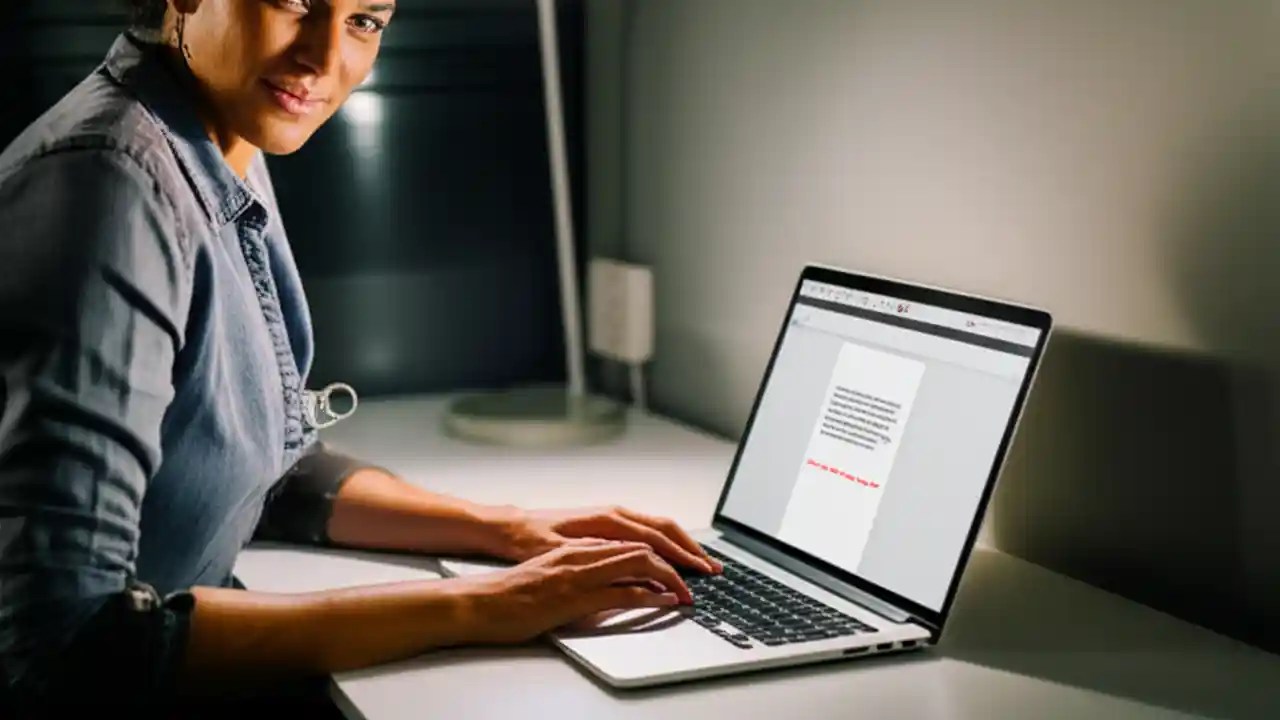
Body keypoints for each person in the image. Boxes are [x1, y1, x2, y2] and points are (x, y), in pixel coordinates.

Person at [0, 0, 721, 714]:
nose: (323, 60)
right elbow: (63, 642)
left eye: (364, 22)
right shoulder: (112, 190)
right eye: (294, 3)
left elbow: (262, 462)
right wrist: (487, 605)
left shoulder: (220, 138)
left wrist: (507, 529)